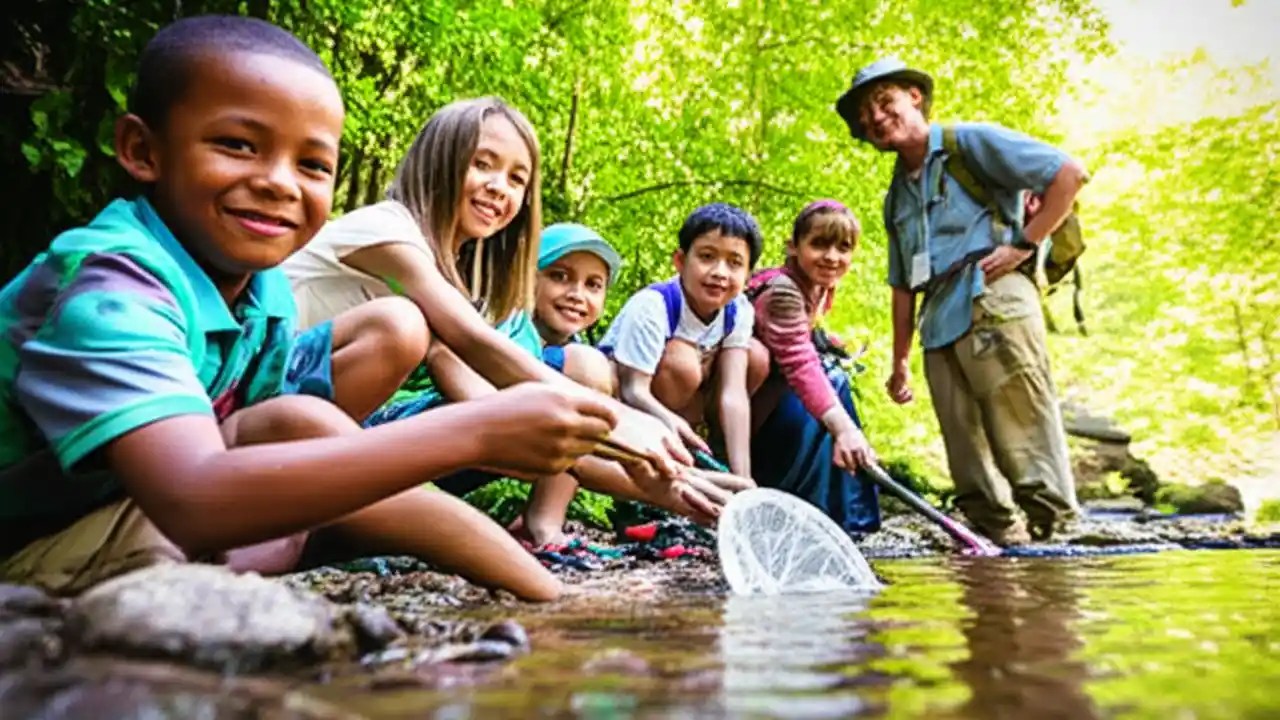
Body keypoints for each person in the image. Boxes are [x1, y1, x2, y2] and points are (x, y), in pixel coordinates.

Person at [0, 15, 626, 602]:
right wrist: (479, 431)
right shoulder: (113, 286)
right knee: (292, 498)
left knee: (301, 423)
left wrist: (559, 591)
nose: (280, 182)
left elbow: (278, 435)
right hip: (37, 541)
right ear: (142, 150)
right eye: (238, 144)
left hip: (130, 503)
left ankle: (551, 596)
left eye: (312, 164)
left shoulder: (261, 292)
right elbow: (191, 497)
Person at [281, 98, 748, 525]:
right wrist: (619, 418)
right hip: (262, 400)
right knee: (400, 328)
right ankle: (305, 495)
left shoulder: (458, 283)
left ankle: (324, 500)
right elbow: (474, 342)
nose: (498, 187)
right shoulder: (387, 230)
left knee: (514, 422)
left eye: (516, 178)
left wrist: (672, 484)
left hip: (339, 422)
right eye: (482, 163)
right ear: (439, 160)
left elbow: (492, 410)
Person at [835, 57, 1085, 544]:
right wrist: (900, 361)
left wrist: (1025, 244)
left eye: (885, 102)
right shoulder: (896, 198)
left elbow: (1069, 174)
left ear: (915, 96)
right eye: (866, 119)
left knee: (1023, 428)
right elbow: (903, 282)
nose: (877, 119)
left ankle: (1059, 546)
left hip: (995, 296)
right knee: (964, 450)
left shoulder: (968, 142)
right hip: (938, 319)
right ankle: (999, 546)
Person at [599, 203, 770, 478]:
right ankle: (667, 455)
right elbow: (633, 390)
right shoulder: (653, 305)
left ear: (748, 275)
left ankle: (710, 453)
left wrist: (743, 476)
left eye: (734, 263)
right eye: (706, 256)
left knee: (756, 356)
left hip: (687, 406)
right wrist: (672, 424)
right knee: (683, 361)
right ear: (680, 261)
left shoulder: (737, 309)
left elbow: (733, 393)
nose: (720, 272)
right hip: (627, 402)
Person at [747, 200, 881, 534]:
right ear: (793, 246)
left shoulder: (819, 286)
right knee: (831, 383)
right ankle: (835, 516)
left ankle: (848, 519)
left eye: (844, 248)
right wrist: (846, 430)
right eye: (819, 244)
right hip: (750, 416)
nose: (832, 257)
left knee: (835, 378)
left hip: (775, 402)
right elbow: (799, 363)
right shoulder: (781, 292)